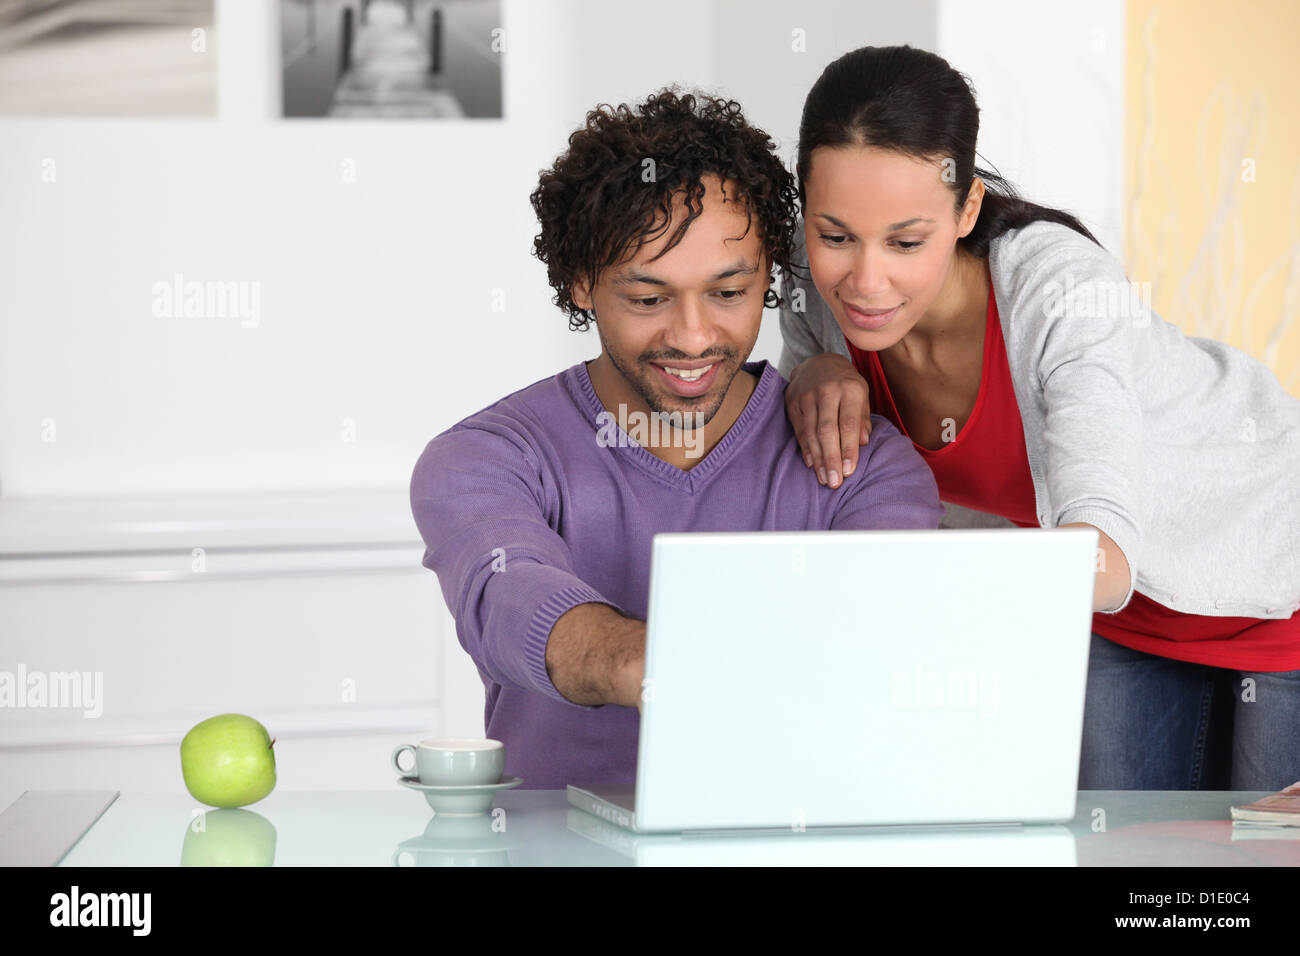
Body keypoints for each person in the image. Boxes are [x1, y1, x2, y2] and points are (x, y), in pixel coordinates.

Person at [777, 44, 1300, 791]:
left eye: (905, 241)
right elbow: (809, 398)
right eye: (835, 236)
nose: (865, 280)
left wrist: (916, 599)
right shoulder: (818, 297)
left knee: (1259, 864)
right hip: (1111, 616)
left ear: (967, 209)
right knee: (1127, 864)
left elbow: (1101, 547)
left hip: (1270, 565)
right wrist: (818, 370)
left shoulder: (1060, 292)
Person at [409, 89, 944, 789]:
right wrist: (648, 664)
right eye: (648, 299)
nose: (692, 337)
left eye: (728, 293)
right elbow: (512, 604)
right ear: (580, 283)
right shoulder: (484, 460)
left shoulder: (867, 466)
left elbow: (880, 664)